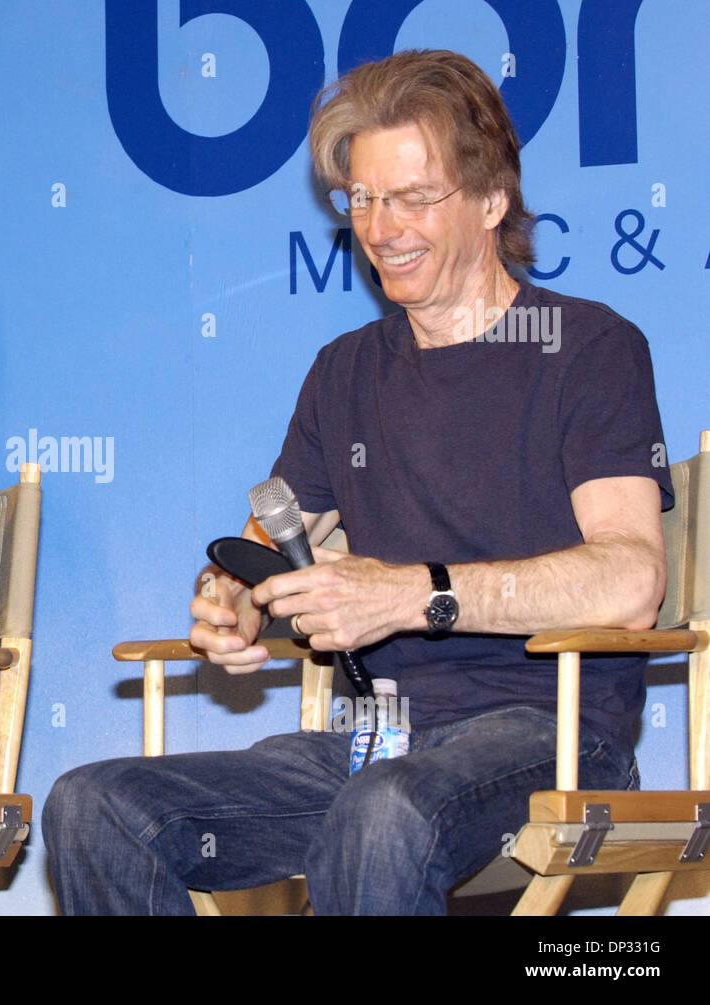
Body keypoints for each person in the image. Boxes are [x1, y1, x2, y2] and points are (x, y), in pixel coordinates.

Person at [43, 49, 672, 915]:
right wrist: (230, 599)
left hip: (550, 734)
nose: (381, 227)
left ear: (492, 200)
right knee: (96, 806)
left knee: (383, 812)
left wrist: (416, 595)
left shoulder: (590, 349)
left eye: (414, 197)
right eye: (363, 199)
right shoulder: (344, 373)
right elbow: (259, 548)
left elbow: (632, 580)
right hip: (379, 744)